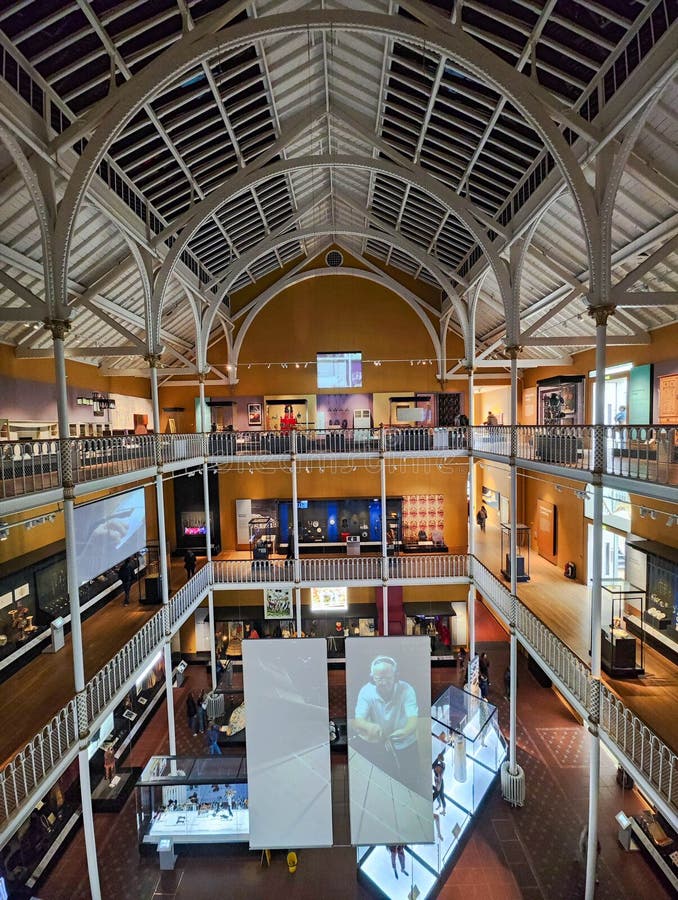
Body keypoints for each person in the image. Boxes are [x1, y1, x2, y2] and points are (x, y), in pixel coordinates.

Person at [352, 655, 421, 791]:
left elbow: (413, 719)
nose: (384, 683)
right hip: (381, 743)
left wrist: (406, 731)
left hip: (407, 742)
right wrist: (369, 726)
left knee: (412, 781)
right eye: (379, 679)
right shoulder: (366, 692)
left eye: (388, 678)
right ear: (372, 678)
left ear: (396, 676)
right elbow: (359, 720)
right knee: (385, 783)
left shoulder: (407, 690)